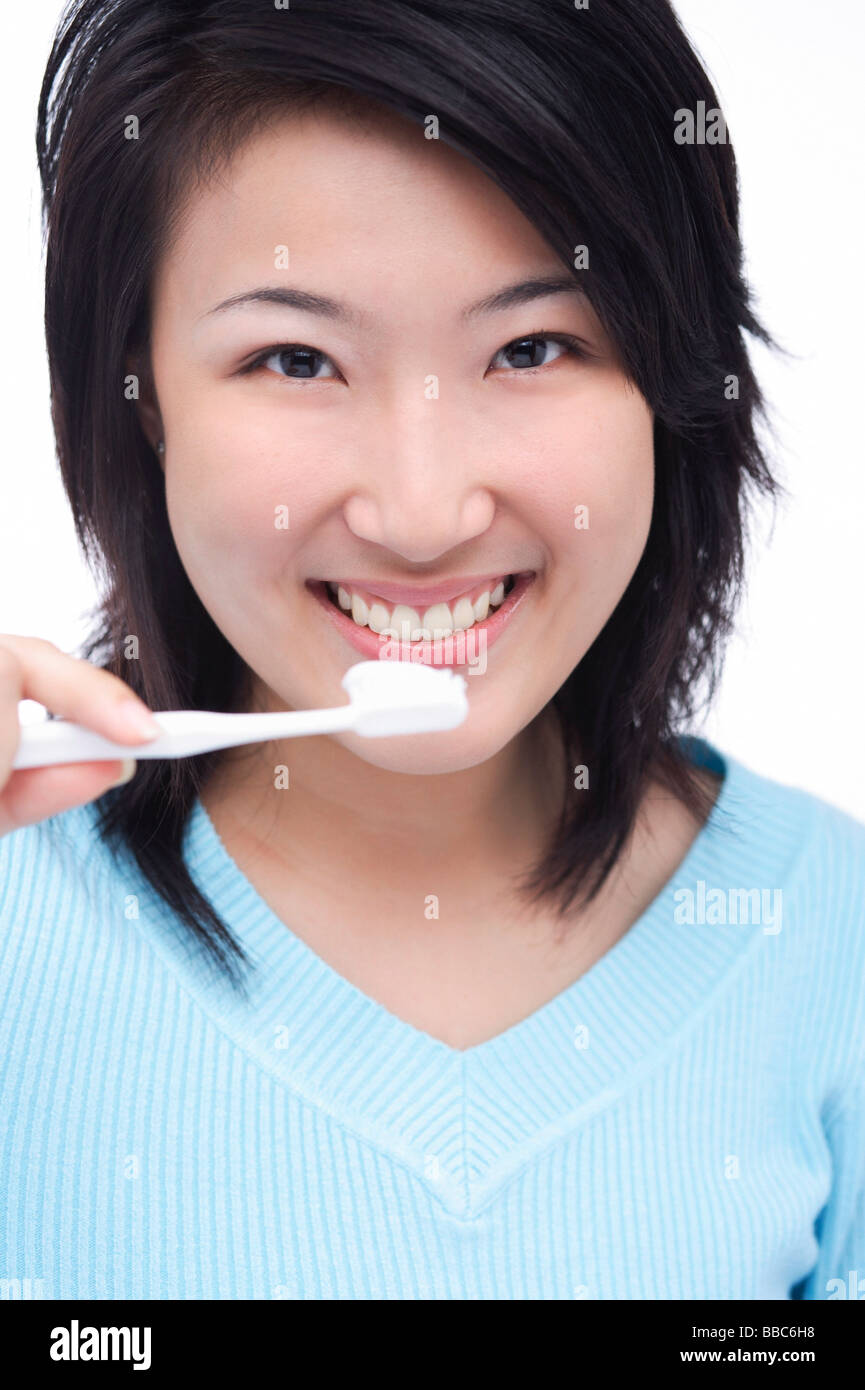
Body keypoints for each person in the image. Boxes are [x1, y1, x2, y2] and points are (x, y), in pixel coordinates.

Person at [0, 0, 862, 1300]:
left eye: (531, 347)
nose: (420, 513)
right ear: (141, 395)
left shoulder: (829, 944)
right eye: (295, 358)